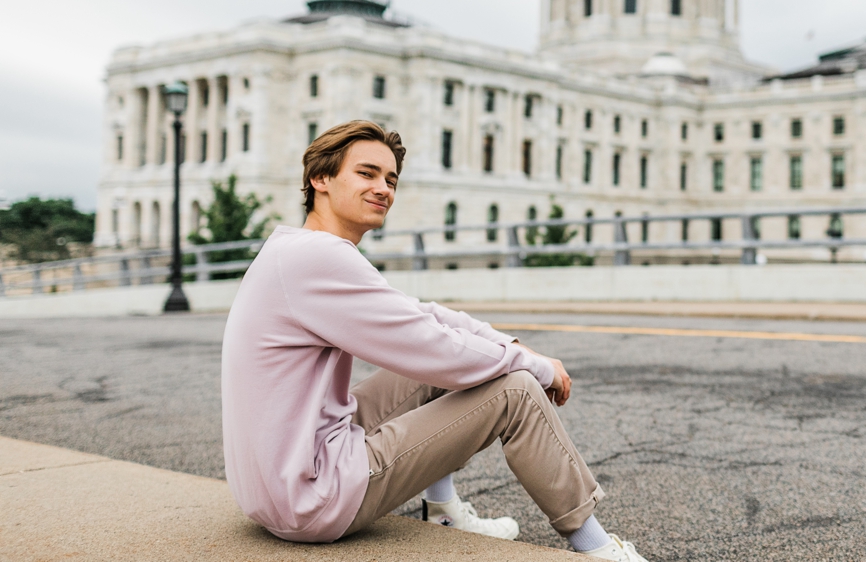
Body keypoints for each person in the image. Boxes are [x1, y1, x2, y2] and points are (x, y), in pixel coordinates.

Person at [221, 120, 647, 561]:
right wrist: (532, 367)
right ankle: (598, 548)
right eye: (366, 174)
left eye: (390, 179)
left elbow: (426, 316)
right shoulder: (318, 257)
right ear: (320, 179)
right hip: (310, 495)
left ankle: (443, 510)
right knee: (515, 391)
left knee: (441, 370)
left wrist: (517, 348)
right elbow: (434, 346)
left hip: (279, 479)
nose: (383, 189)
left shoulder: (296, 248)